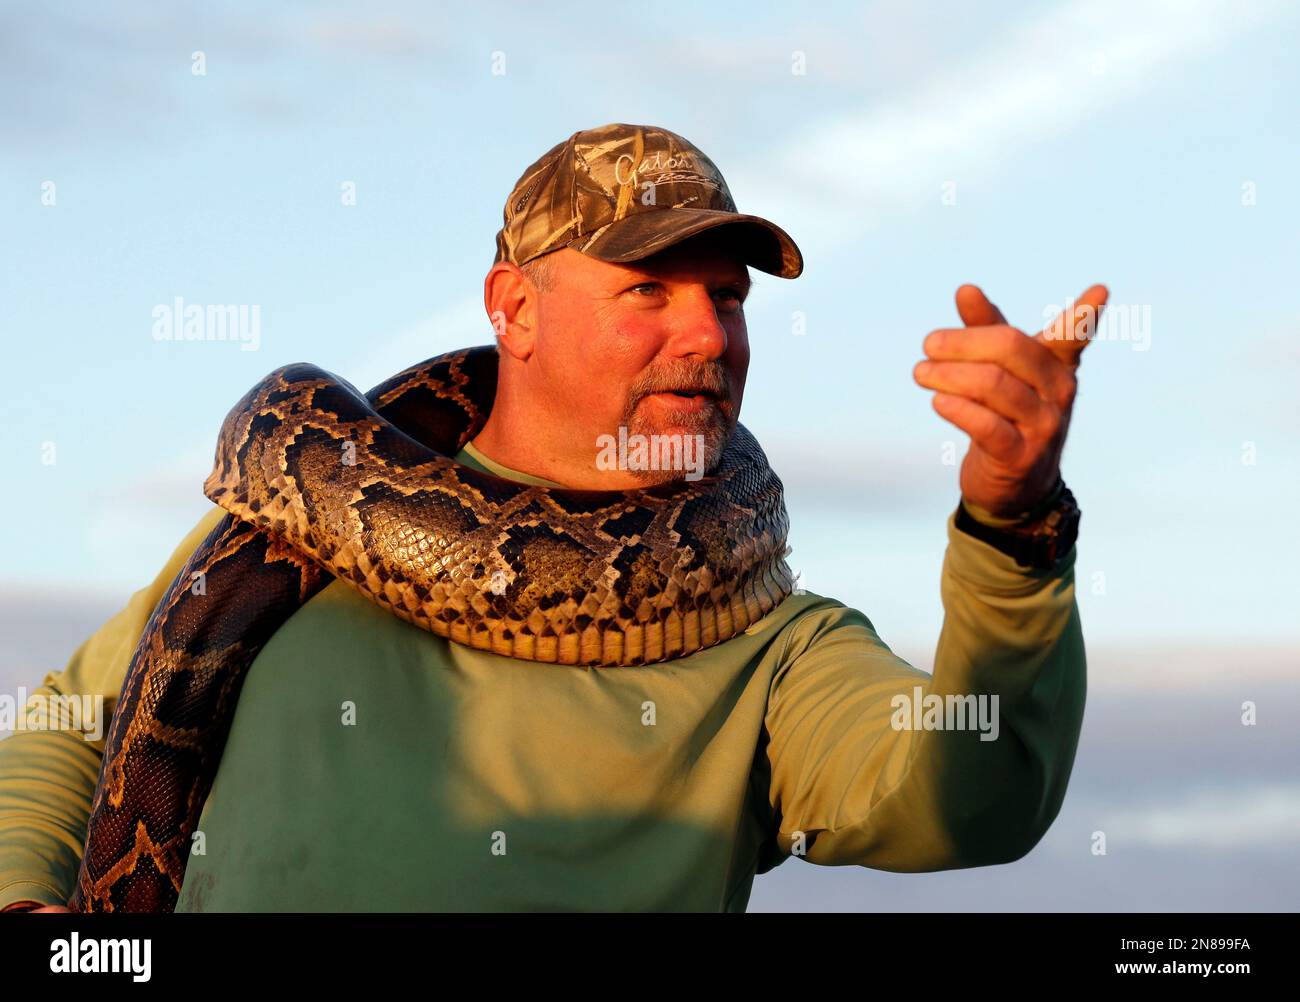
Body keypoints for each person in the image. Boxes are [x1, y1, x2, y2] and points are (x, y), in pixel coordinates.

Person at [0, 123, 1099, 912]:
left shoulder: (773, 642)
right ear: (512, 308)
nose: (711, 336)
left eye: (726, 296)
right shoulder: (289, 520)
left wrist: (1016, 526)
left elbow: (974, 797)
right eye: (650, 292)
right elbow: (71, 729)